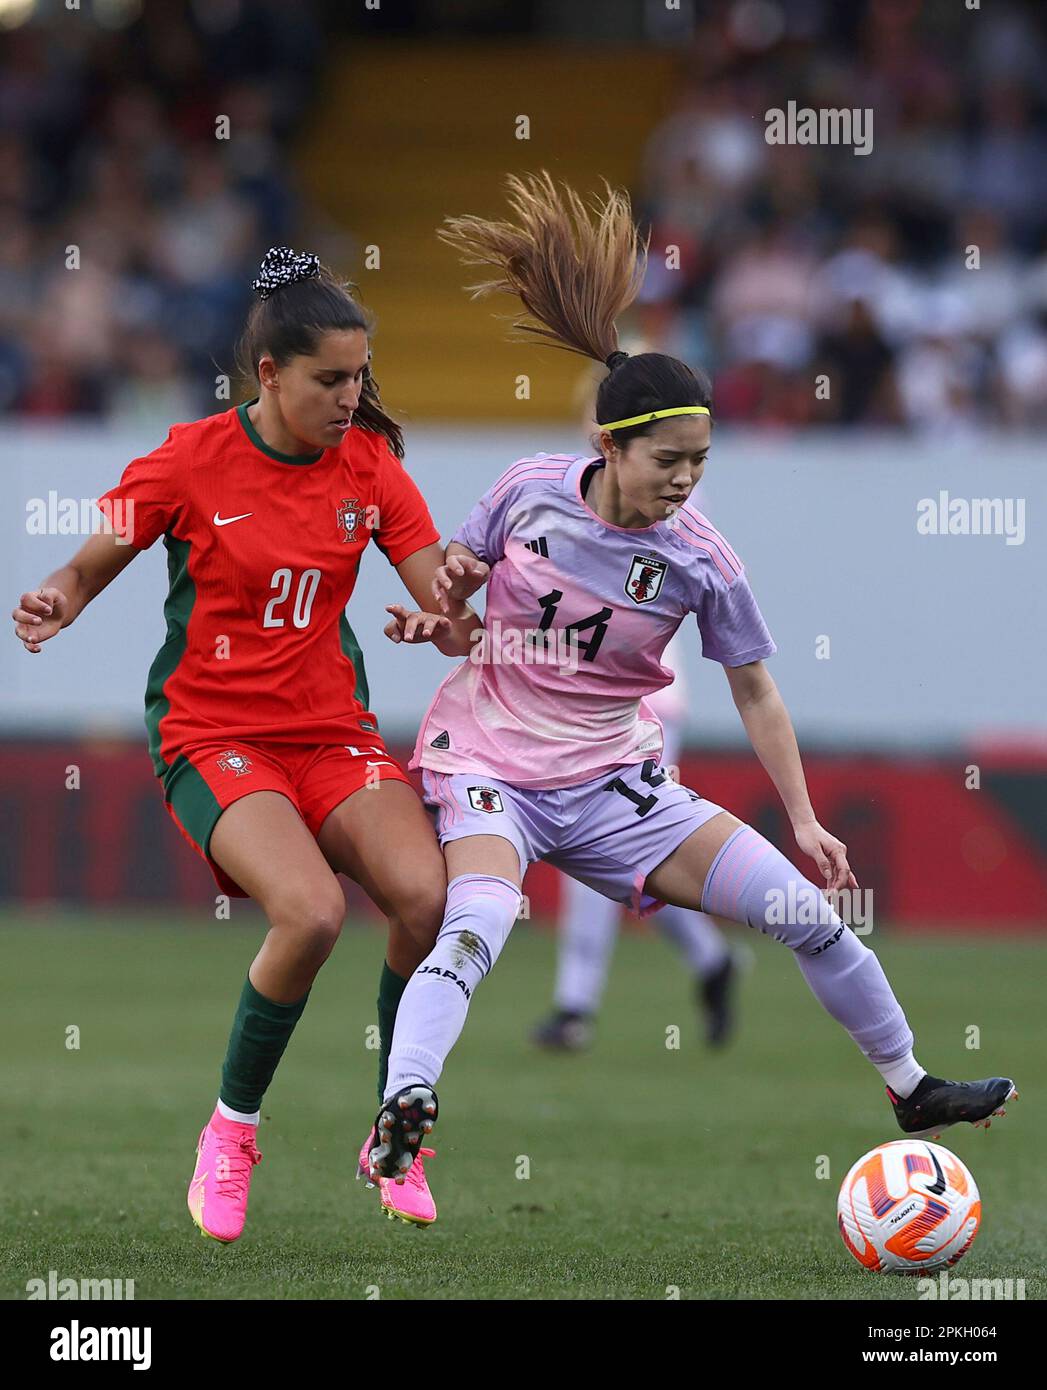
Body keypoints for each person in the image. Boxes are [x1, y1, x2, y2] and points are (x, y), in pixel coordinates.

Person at [362, 175, 1016, 1212]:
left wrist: (801, 815)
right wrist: (437, 606)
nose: (684, 481)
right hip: (490, 766)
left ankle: (911, 1085)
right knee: (478, 920)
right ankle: (403, 1108)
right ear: (608, 446)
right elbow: (458, 580)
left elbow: (754, 687)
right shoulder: (528, 492)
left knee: (808, 913)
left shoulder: (702, 557)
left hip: (617, 781)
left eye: (700, 462)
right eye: (668, 460)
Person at [12, 246, 480, 1243]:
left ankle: (396, 1125)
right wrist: (57, 597)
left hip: (329, 732)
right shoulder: (189, 458)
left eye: (358, 378)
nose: (349, 397)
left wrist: (449, 618)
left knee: (426, 898)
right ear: (268, 374)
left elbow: (439, 594)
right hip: (213, 733)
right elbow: (92, 564)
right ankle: (231, 1132)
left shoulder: (371, 469)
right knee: (308, 912)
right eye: (328, 379)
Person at [532, 633, 742, 1051]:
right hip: (588, 695)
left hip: (642, 696)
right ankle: (712, 958)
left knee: (593, 844)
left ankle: (575, 1007)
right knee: (635, 864)